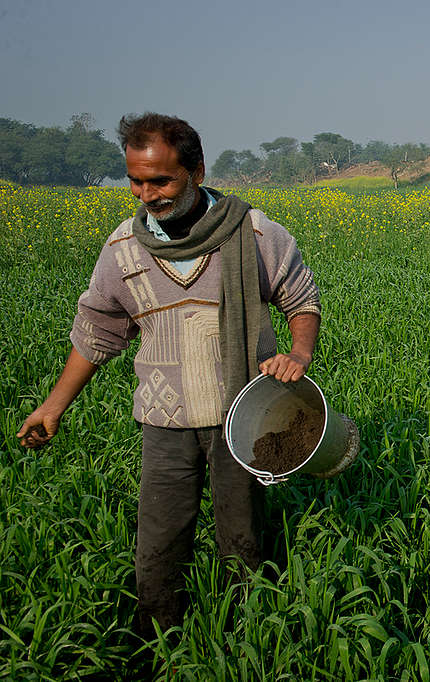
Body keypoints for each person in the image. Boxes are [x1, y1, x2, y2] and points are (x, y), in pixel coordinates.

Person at [16, 112, 322, 638]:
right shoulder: (123, 249)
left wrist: (299, 353)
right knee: (158, 540)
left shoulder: (253, 233)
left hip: (243, 416)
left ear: (197, 171)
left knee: (243, 539)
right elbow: (97, 331)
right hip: (165, 420)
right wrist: (53, 406)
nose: (147, 194)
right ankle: (158, 641)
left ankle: (248, 638)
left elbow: (300, 297)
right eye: (136, 181)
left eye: (160, 180)